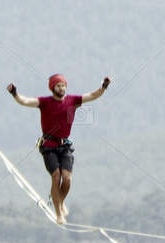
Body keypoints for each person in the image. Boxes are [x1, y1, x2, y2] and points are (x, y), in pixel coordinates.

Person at [7, 72, 110, 223]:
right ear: (52, 88)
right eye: (58, 86)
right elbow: (25, 101)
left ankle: (60, 202)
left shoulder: (72, 100)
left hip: (65, 145)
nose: (61, 88)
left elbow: (93, 95)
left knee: (67, 179)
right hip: (49, 146)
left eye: (63, 86)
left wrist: (104, 86)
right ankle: (58, 213)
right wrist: (14, 93)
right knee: (56, 176)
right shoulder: (44, 102)